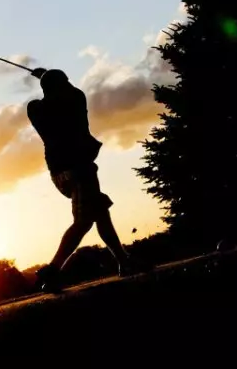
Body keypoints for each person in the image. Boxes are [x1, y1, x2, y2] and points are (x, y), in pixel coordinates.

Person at [28, 68, 150, 292]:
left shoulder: (36, 109)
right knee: (84, 221)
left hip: (59, 173)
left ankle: (124, 261)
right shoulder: (74, 100)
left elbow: (52, 97)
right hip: (79, 168)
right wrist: (47, 75)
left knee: (100, 211)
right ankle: (53, 270)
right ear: (62, 86)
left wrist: (46, 78)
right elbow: (72, 93)